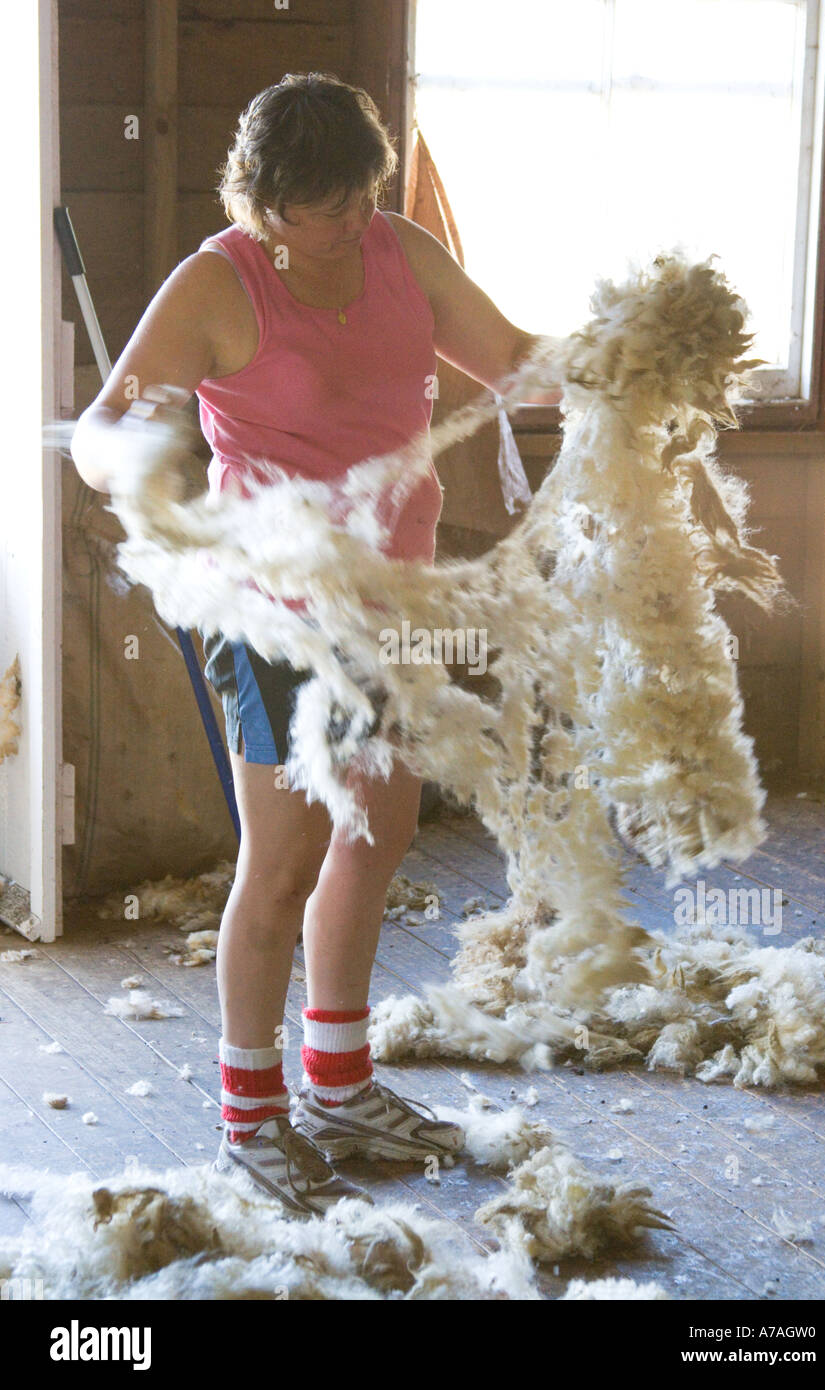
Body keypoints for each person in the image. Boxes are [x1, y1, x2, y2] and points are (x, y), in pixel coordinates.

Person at [72, 71, 551, 1215]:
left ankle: (339, 1086)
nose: (345, 227)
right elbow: (100, 426)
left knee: (378, 837)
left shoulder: (398, 249)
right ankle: (251, 1117)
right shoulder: (217, 282)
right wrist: (131, 462)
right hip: (276, 609)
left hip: (395, 596)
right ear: (262, 200)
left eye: (357, 201)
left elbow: (516, 359)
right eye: (318, 210)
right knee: (281, 862)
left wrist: (632, 363)